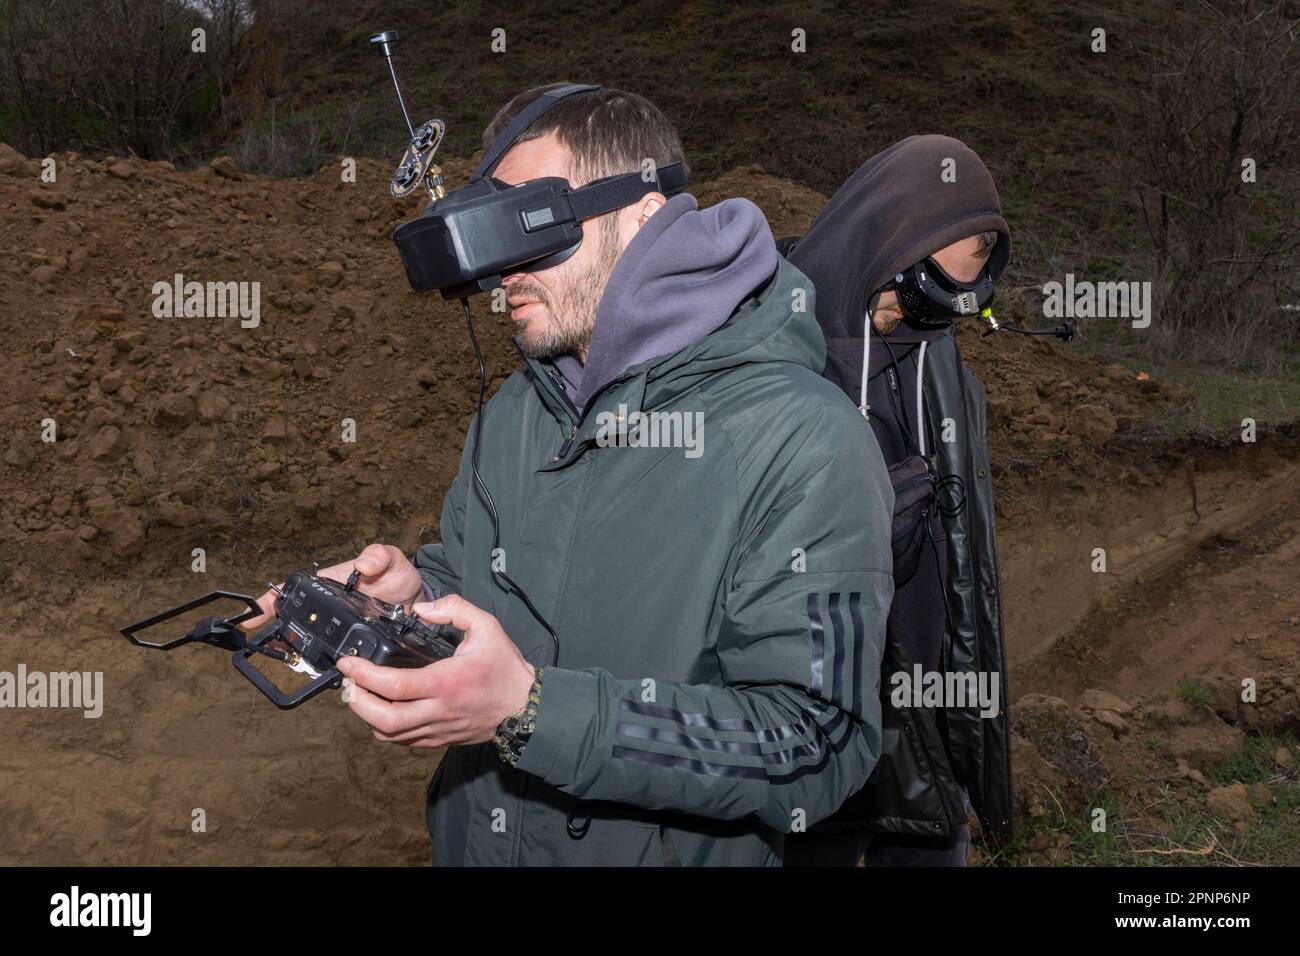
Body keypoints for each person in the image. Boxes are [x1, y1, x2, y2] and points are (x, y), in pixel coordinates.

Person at [246, 84, 896, 866]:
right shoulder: (517, 411)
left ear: (645, 214)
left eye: (532, 225)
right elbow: (491, 592)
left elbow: (815, 744)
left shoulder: (804, 438)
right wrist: (412, 599)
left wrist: (532, 714)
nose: (504, 273)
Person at [779, 134, 1015, 866]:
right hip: (810, 725)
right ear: (882, 240)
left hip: (925, 726)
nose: (919, 321)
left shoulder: (935, 353)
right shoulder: (770, 347)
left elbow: (967, 559)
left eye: (950, 307)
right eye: (917, 295)